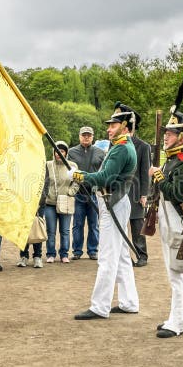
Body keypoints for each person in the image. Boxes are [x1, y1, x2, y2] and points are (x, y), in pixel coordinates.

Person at [72, 103, 139, 320]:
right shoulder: (120, 146)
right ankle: (129, 302)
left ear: (125, 127)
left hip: (114, 202)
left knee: (108, 256)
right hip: (114, 201)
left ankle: (100, 306)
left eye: (114, 125)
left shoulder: (121, 148)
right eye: (109, 126)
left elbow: (104, 178)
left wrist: (79, 175)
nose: (109, 129)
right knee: (120, 257)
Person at [148, 110, 183, 338]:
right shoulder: (172, 162)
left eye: (172, 133)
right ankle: (182, 316)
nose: (166, 136)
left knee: (176, 273)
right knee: (174, 273)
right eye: (166, 132)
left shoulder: (182, 163)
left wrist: (158, 177)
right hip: (168, 221)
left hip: (177, 221)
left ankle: (177, 322)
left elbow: (178, 194)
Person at [67, 127, 105, 260]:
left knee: (94, 223)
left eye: (89, 135)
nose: (86, 137)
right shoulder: (71, 152)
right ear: (79, 136)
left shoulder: (100, 153)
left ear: (93, 137)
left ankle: (93, 250)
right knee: (77, 224)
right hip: (78, 193)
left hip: (94, 193)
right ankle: (77, 251)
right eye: (84, 135)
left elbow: (104, 172)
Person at [44, 141, 79, 263]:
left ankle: (64, 254)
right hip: (50, 203)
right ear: (53, 152)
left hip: (66, 202)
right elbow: (43, 181)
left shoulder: (72, 165)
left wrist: (70, 192)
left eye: (62, 151)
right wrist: (46, 194)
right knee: (51, 231)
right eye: (57, 151)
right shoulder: (48, 165)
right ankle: (51, 254)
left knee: (65, 230)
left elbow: (77, 181)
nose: (59, 153)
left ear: (66, 152)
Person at [128, 119, 151, 267]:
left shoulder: (143, 146)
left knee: (137, 226)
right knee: (120, 227)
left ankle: (141, 255)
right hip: (119, 193)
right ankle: (123, 257)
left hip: (135, 193)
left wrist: (144, 194)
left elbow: (145, 172)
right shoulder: (114, 145)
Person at [18, 171, 48, 269]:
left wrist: (40, 202)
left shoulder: (42, 163)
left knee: (37, 228)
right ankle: (23, 256)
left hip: (39, 203)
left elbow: (46, 184)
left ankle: (37, 257)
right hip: (24, 203)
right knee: (24, 229)